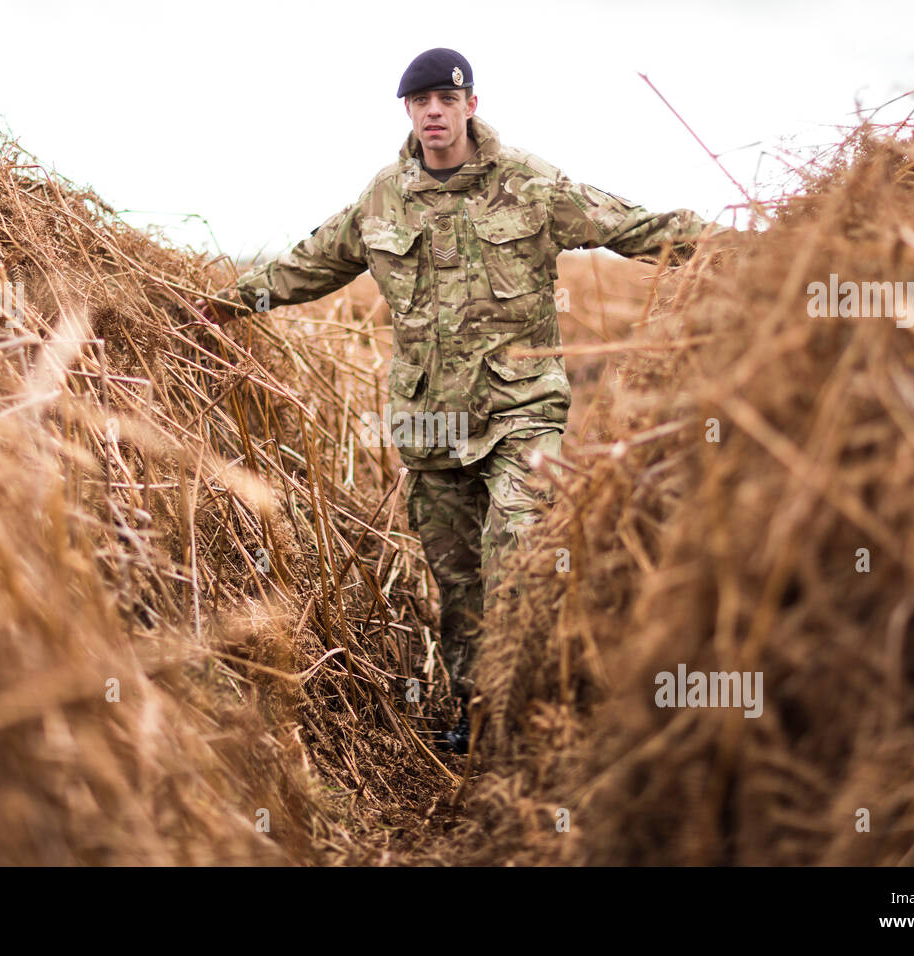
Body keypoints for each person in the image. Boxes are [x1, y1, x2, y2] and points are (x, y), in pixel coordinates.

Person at [199, 47, 728, 753]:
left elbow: (626, 224)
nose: (433, 113)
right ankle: (476, 717)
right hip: (432, 424)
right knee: (460, 581)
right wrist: (219, 307)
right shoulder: (383, 197)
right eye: (420, 103)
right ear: (409, 114)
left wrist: (740, 246)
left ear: (470, 105)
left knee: (515, 548)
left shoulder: (529, 184)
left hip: (521, 412)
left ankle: (530, 712)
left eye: (446, 101)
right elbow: (309, 266)